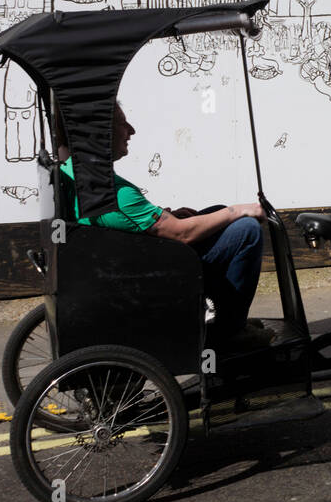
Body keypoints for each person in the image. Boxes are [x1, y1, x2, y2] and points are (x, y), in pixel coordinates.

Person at [58, 103, 265, 345]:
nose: (131, 130)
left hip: (128, 260)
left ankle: (226, 318)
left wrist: (168, 215)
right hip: (153, 276)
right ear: (100, 132)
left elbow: (134, 223)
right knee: (246, 230)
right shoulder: (113, 194)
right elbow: (182, 234)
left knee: (216, 213)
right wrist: (239, 209)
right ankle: (230, 332)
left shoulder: (77, 174)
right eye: (122, 123)